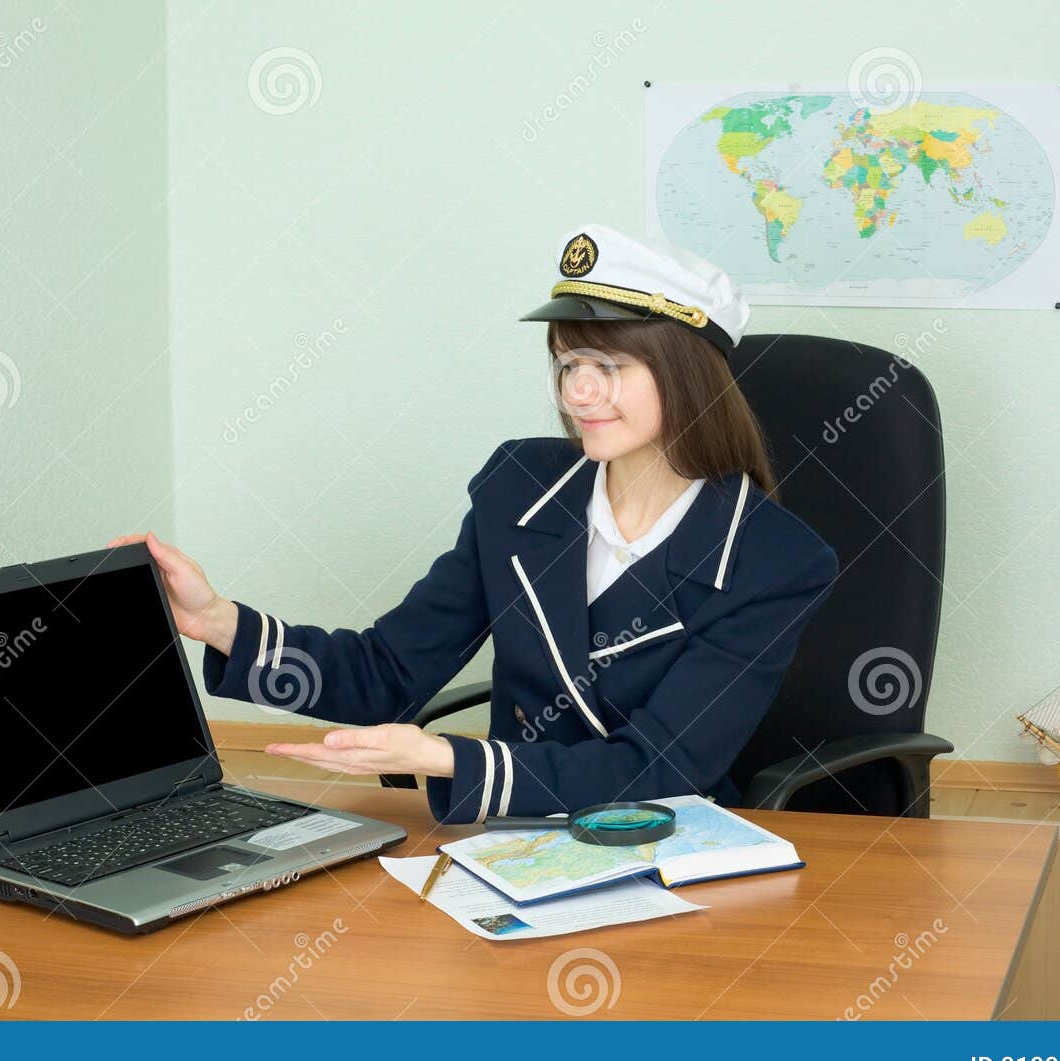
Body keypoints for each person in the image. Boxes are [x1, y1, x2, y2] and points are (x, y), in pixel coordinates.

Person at [111, 224, 838, 823]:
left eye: (610, 366)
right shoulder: (518, 489)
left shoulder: (775, 559)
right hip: (511, 837)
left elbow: (656, 767)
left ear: (686, 375)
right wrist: (219, 622)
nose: (578, 391)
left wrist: (447, 759)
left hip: (662, 843)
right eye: (567, 363)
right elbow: (386, 671)